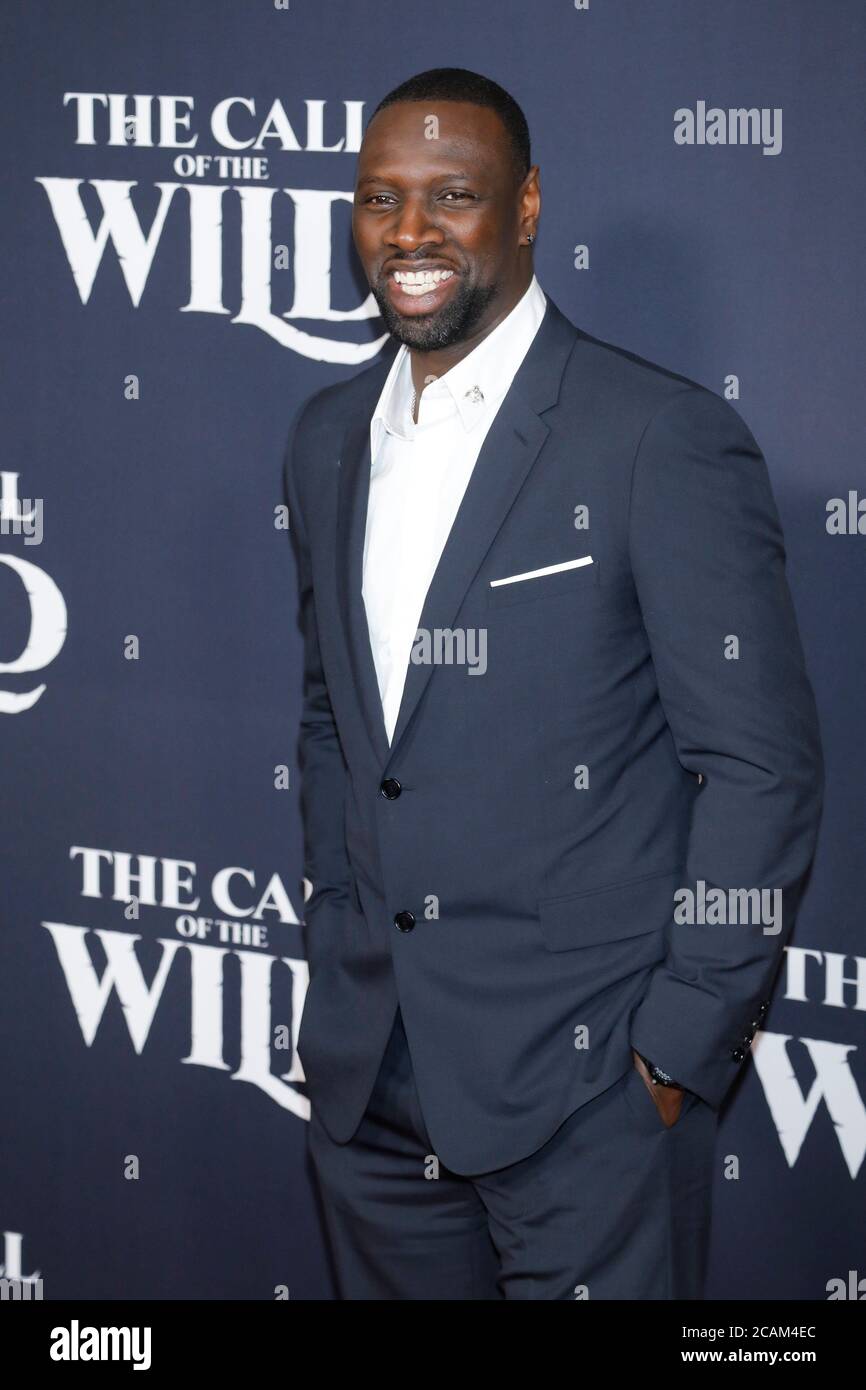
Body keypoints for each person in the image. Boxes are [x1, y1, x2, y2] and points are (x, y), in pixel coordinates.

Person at [283, 67, 823, 1300]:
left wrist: (676, 1047)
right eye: (379, 199)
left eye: (452, 197)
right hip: (369, 1079)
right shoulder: (322, 437)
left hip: (589, 1094)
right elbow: (334, 723)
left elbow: (758, 765)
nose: (409, 233)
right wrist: (336, 959)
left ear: (524, 209)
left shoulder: (653, 436)